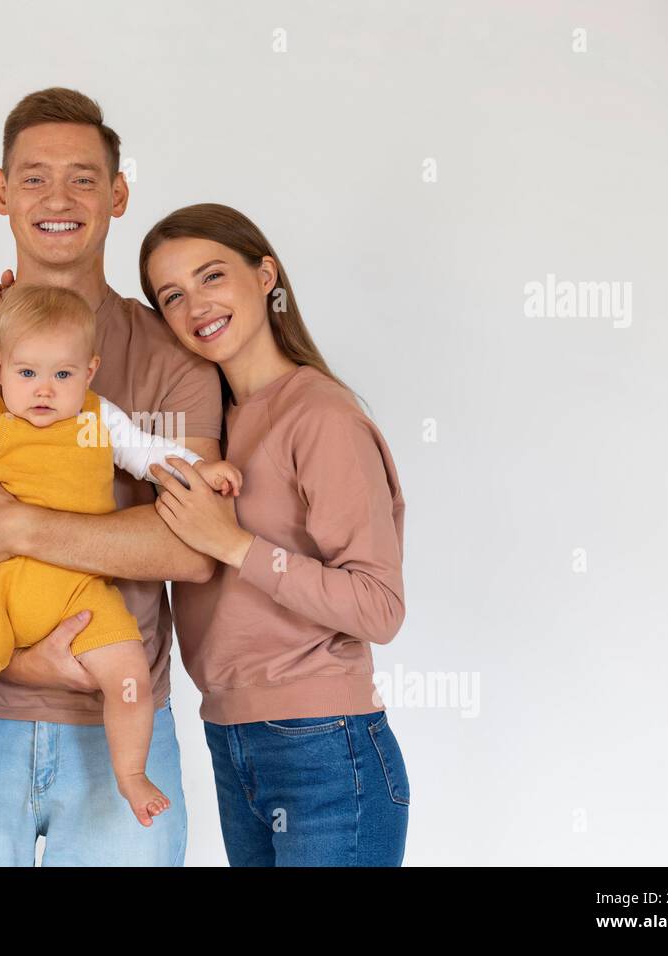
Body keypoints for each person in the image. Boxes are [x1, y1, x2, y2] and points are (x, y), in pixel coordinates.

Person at [0, 88, 222, 866]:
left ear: (117, 195)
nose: (59, 199)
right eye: (34, 178)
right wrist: (8, 654)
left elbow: (194, 547)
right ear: (1, 192)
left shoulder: (175, 360)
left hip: (121, 724)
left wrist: (20, 527)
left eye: (83, 178)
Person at [0, 284, 240, 828]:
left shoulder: (97, 419)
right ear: (0, 369)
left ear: (90, 371)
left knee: (129, 675)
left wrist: (201, 471)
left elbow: (149, 455)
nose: (44, 389)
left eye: (62, 374)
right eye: (26, 372)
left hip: (81, 589)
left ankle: (131, 774)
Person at [137, 202, 411, 865]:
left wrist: (234, 544)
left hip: (326, 746)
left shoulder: (320, 416)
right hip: (230, 738)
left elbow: (379, 608)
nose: (196, 305)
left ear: (266, 276)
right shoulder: (205, 427)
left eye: (211, 275)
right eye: (172, 296)